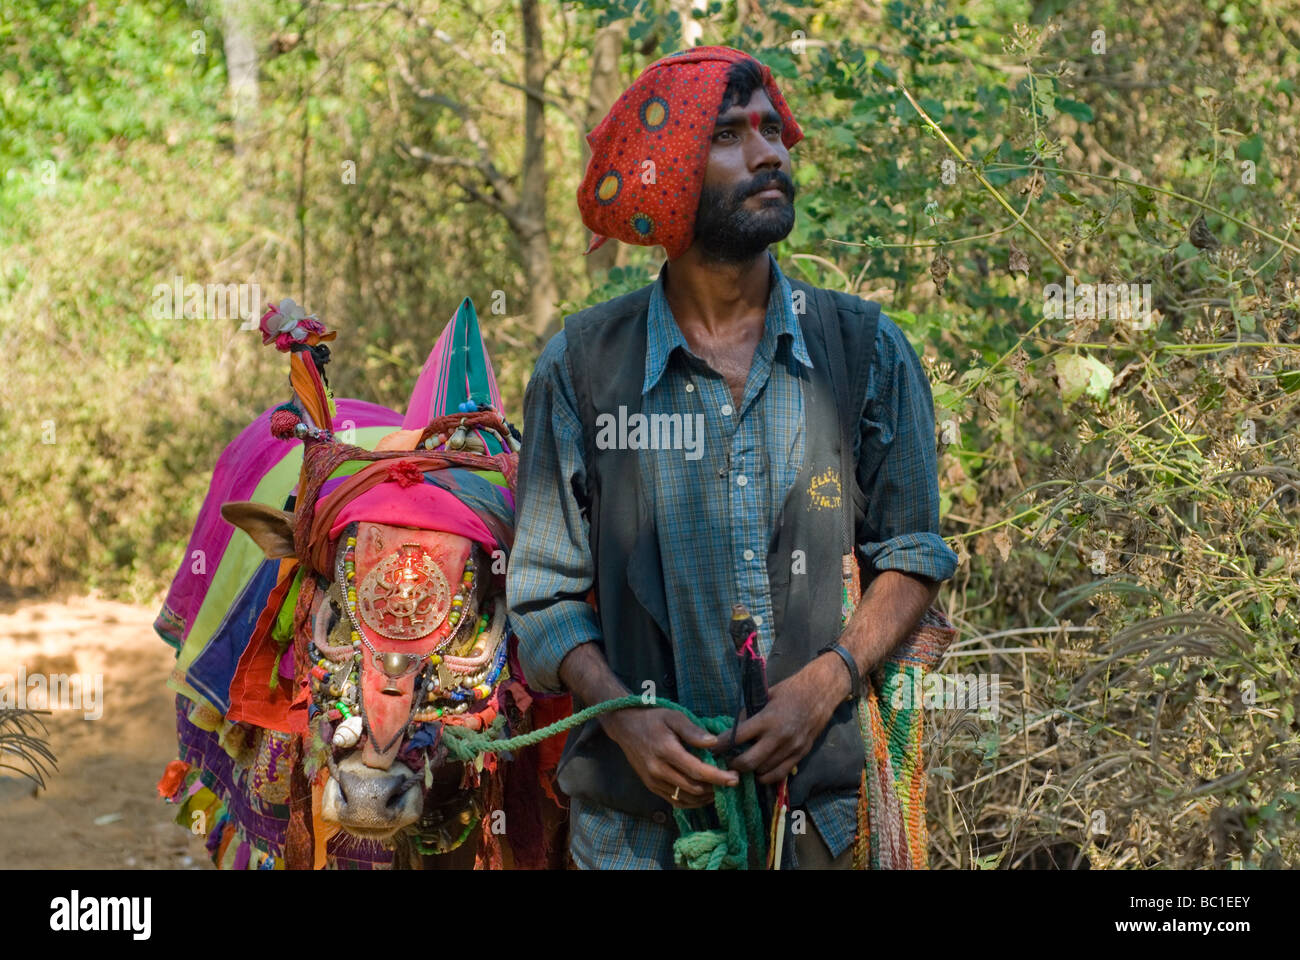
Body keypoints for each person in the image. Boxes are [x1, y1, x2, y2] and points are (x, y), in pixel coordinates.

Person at [507, 46, 958, 869]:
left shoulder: (864, 350)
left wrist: (827, 684)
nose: (769, 152)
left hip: (824, 826)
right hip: (635, 838)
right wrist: (624, 717)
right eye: (729, 135)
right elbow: (543, 597)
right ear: (666, 174)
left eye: (770, 131)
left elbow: (914, 554)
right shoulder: (579, 369)